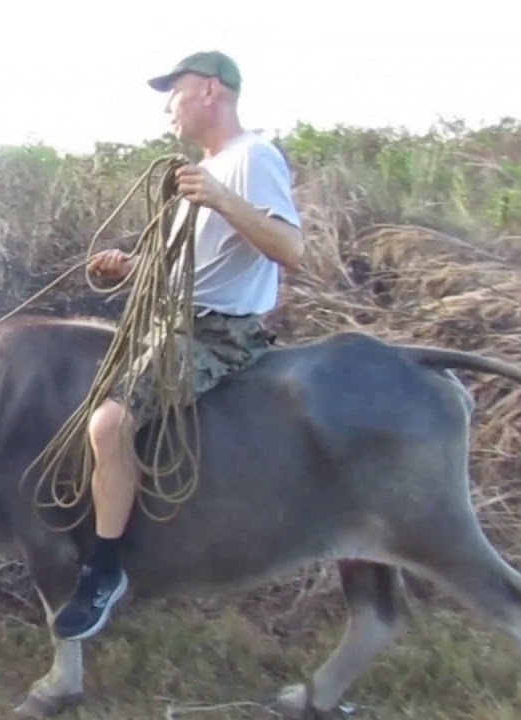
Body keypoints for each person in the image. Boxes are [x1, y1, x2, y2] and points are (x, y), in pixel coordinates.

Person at [51, 50, 306, 642]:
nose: (168, 106)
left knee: (110, 424)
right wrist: (130, 267)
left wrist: (221, 198)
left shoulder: (253, 158)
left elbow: (290, 249)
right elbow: (193, 267)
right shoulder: (208, 168)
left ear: (210, 91)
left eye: (175, 92)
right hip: (172, 320)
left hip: (216, 332)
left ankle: (104, 570)